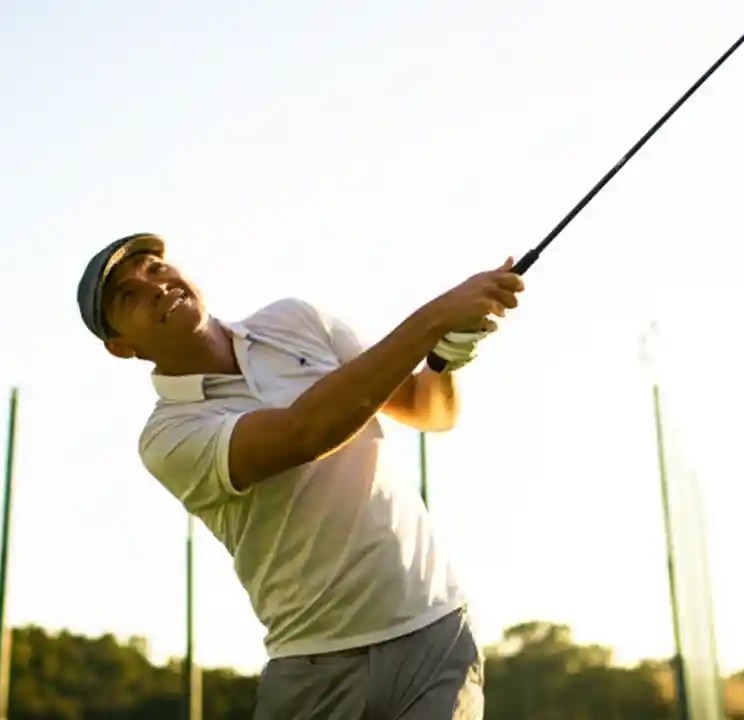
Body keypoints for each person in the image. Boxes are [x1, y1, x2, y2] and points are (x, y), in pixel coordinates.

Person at [75, 232, 525, 719]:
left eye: (155, 268)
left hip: (435, 635)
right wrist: (439, 314)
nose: (155, 286)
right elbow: (304, 433)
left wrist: (444, 359)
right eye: (129, 295)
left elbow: (425, 407)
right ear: (122, 347)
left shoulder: (296, 321)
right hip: (314, 669)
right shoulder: (167, 436)